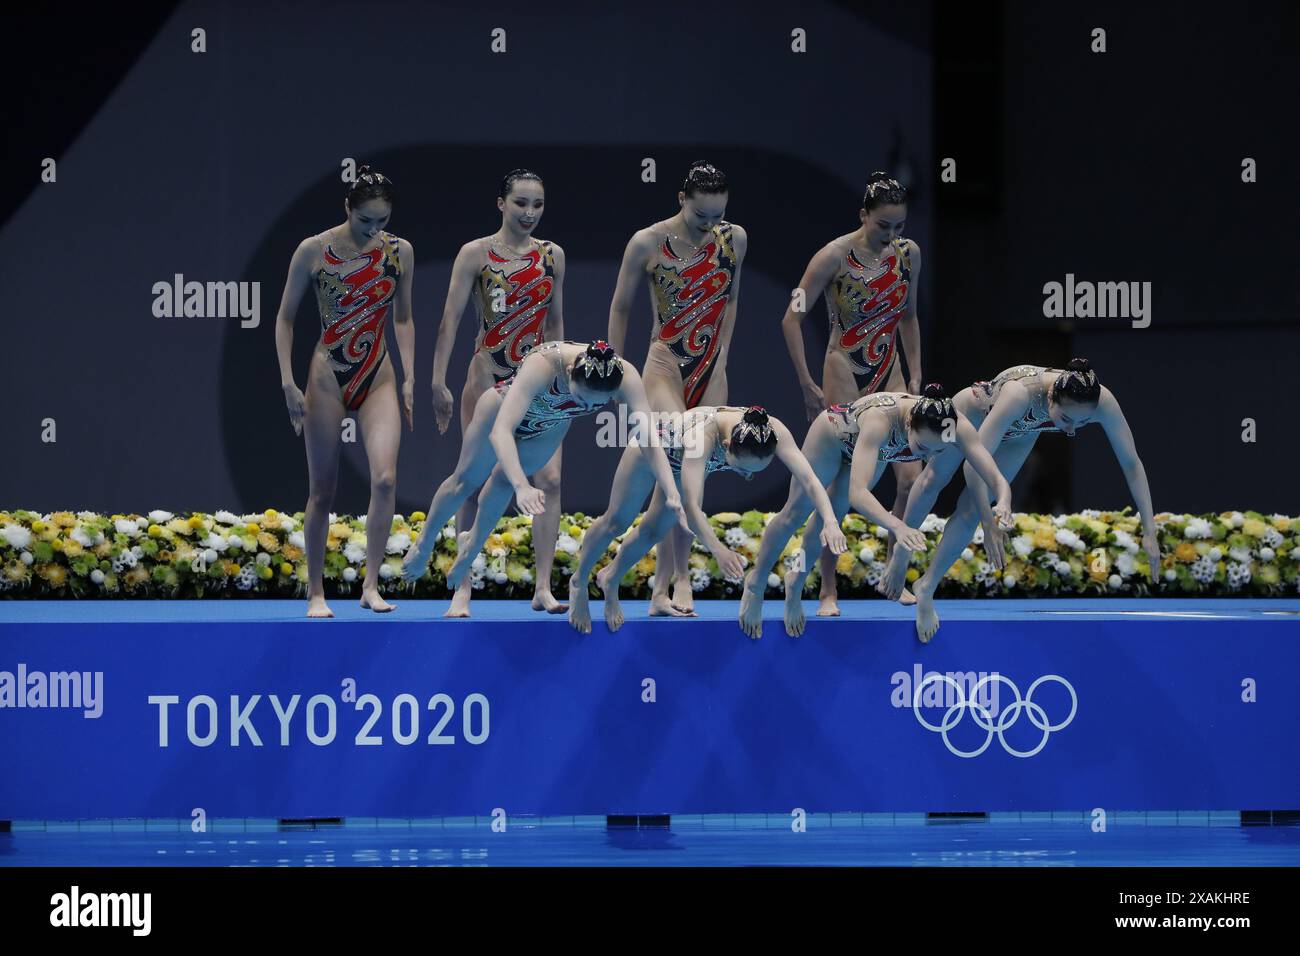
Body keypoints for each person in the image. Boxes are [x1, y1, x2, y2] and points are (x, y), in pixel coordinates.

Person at [879, 359, 1161, 642]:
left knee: (970, 512)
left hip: (1022, 431)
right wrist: (989, 524)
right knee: (932, 480)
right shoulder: (1019, 394)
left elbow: (1131, 464)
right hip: (968, 415)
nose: (1072, 430)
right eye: (1065, 419)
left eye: (1083, 422)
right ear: (1051, 396)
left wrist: (1149, 530)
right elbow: (972, 469)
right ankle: (901, 555)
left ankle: (926, 587)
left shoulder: (1101, 399)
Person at [400, 341, 687, 605]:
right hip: (499, 410)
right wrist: (523, 485)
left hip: (551, 424)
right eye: (581, 398)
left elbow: (650, 438)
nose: (587, 407)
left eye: (595, 404)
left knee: (501, 484)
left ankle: (472, 544)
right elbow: (501, 432)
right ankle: (424, 544)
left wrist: (671, 490)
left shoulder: (626, 377)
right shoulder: (544, 364)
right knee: (465, 481)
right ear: (572, 372)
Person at [739, 385, 1013, 638]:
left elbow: (994, 475)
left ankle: (796, 581)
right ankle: (756, 583)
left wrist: (1002, 500)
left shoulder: (956, 426)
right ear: (909, 425)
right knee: (795, 514)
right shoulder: (880, 421)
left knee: (830, 517)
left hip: (875, 453)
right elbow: (858, 493)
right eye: (922, 448)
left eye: (938, 450)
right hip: (834, 436)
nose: (929, 456)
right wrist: (898, 526)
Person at [557, 406, 847, 633]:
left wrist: (831, 521)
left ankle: (610, 577)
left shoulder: (772, 431)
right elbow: (692, 507)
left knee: (654, 530)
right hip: (652, 449)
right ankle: (579, 581)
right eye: (740, 468)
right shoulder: (702, 437)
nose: (747, 477)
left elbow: (810, 480)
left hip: (683, 460)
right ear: (725, 444)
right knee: (616, 522)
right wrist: (718, 550)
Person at [779, 171, 924, 616]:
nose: (892, 236)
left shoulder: (908, 255)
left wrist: (916, 375)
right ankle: (827, 589)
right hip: (845, 371)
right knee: (837, 492)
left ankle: (894, 574)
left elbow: (909, 317)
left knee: (909, 478)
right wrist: (806, 381)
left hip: (891, 374)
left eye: (899, 226)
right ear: (864, 215)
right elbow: (791, 318)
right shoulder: (833, 257)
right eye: (884, 226)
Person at [606, 160, 747, 615]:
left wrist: (723, 351)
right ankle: (674, 580)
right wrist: (615, 369)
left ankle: (666, 584)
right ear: (681, 199)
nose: (710, 226)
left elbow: (731, 298)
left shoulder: (735, 239)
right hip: (664, 365)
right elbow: (621, 307)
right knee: (679, 461)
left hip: (711, 370)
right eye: (701, 216)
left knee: (688, 478)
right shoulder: (647, 243)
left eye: (718, 217)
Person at [274, 166, 414, 618]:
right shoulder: (313, 251)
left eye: (382, 221)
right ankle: (315, 592)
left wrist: (410, 376)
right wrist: (287, 381)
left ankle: (371, 586)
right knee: (322, 491)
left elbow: (404, 320)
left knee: (386, 478)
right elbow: (285, 319)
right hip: (327, 374)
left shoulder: (399, 252)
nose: (374, 231)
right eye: (365, 221)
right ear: (347, 209)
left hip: (378, 374)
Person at [426, 169, 567, 616]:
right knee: (471, 481)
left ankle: (543, 588)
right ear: (501, 203)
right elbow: (448, 320)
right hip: (487, 379)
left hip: (541, 385)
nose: (530, 213)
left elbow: (557, 324)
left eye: (538, 205)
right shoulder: (475, 254)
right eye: (521, 203)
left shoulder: (552, 256)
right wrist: (436, 381)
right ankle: (462, 589)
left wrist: (565, 382)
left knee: (550, 480)